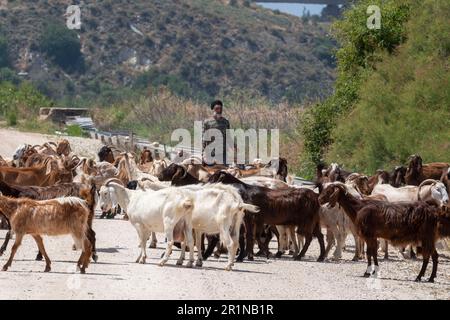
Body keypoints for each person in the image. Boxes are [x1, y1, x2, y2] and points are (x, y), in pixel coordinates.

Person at [202, 100, 230, 166]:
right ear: (213, 109)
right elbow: (204, 138)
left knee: (224, 172)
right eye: (217, 108)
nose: (219, 110)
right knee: (211, 172)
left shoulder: (226, 122)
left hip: (222, 152)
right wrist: (202, 152)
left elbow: (228, 136)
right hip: (210, 152)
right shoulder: (207, 122)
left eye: (220, 108)